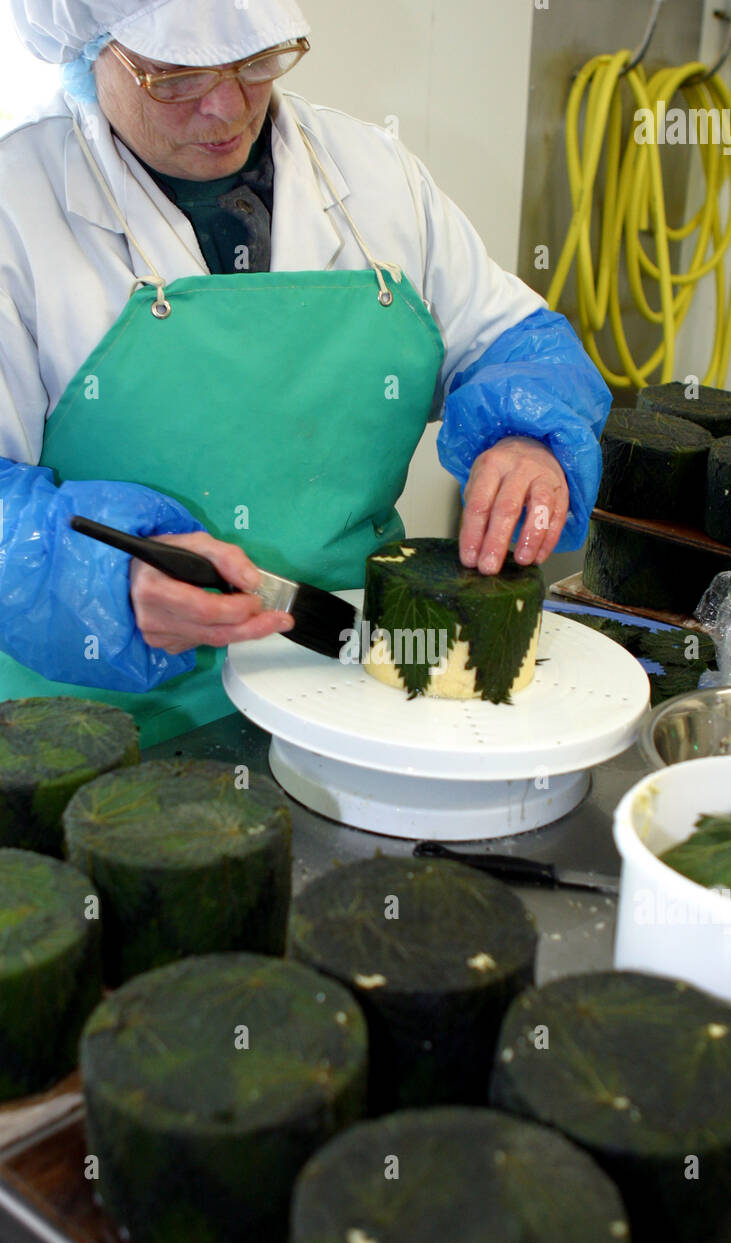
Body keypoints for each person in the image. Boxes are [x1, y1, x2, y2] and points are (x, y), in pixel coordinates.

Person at [0, 0, 612, 746]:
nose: (226, 108)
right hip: (89, 732)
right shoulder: (17, 208)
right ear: (91, 49)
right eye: (177, 77)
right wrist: (90, 579)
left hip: (351, 687)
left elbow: (513, 342)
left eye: (255, 61)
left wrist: (527, 434)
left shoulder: (373, 173)